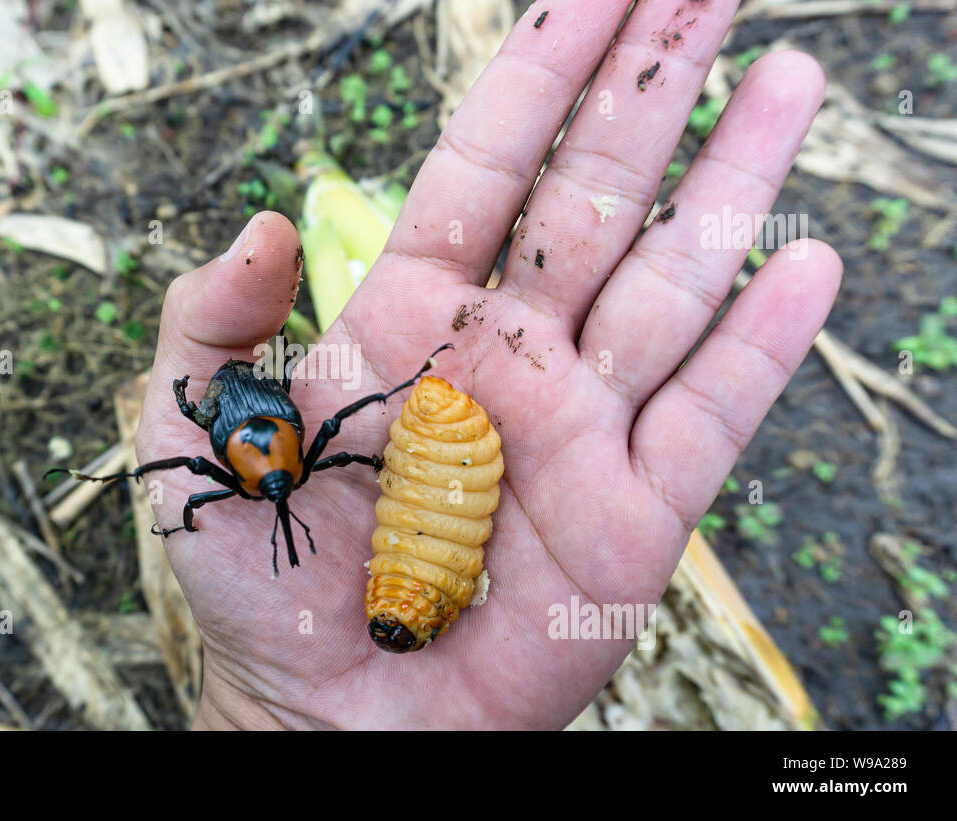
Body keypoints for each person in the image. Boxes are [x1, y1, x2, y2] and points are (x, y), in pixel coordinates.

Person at [133, 1, 841, 729]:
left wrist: (272, 714)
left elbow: (328, 437)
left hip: (397, 456)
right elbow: (327, 437)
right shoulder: (279, 467)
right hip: (393, 457)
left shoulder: (271, 467)